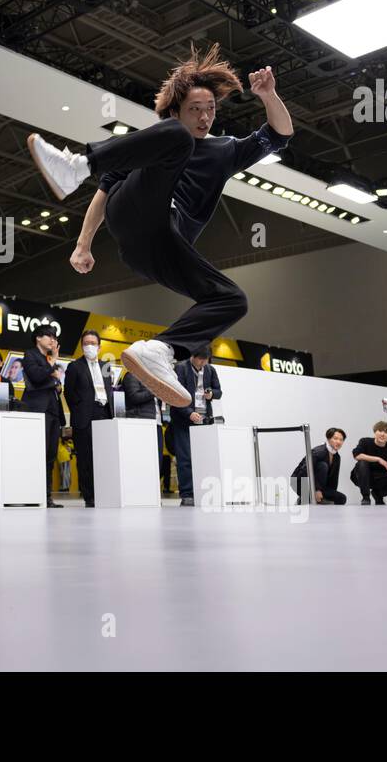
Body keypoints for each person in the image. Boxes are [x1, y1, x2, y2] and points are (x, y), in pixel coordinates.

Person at [27, 45, 291, 407]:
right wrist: (82, 243)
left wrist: (269, 95)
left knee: (232, 299)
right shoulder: (161, 140)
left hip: (161, 245)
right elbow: (105, 192)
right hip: (133, 210)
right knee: (176, 139)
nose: (204, 118)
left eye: (210, 110)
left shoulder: (225, 149)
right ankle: (78, 165)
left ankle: (161, 350)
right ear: (176, 110)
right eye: (194, 110)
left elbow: (279, 135)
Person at [64, 330, 114, 507]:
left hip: (105, 414)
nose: (89, 346)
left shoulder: (106, 367)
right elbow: (69, 393)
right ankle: (89, 497)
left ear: (99, 346)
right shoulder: (74, 366)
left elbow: (110, 391)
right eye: (86, 343)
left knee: (104, 457)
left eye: (93, 343)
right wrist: (79, 411)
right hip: (84, 416)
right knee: (85, 459)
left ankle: (105, 493)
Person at [167, 344, 221, 506]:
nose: (202, 363)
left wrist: (211, 394)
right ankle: (187, 494)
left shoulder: (210, 370)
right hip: (183, 420)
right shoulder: (180, 369)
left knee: (203, 457)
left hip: (204, 419)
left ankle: (203, 491)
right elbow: (175, 395)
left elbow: (219, 391)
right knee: (185, 458)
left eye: (205, 360)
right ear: (193, 356)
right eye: (200, 360)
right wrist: (189, 412)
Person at [21, 325, 66, 508]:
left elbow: (53, 382)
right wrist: (52, 364)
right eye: (49, 336)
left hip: (53, 409)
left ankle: (46, 496)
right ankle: (31, 494)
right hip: (37, 410)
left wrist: (57, 383)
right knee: (36, 454)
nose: (52, 340)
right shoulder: (30, 355)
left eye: (54, 337)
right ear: (38, 338)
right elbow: (36, 376)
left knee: (50, 455)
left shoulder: (49, 359)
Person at [291, 427, 348, 504]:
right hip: (301, 482)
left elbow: (333, 479)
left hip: (320, 487)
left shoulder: (337, 457)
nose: (338, 442)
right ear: (328, 439)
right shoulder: (319, 452)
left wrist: (331, 494)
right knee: (323, 465)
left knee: (342, 499)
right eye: (335, 438)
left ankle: (313, 498)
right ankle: (304, 498)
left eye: (341, 440)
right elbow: (303, 473)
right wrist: (316, 490)